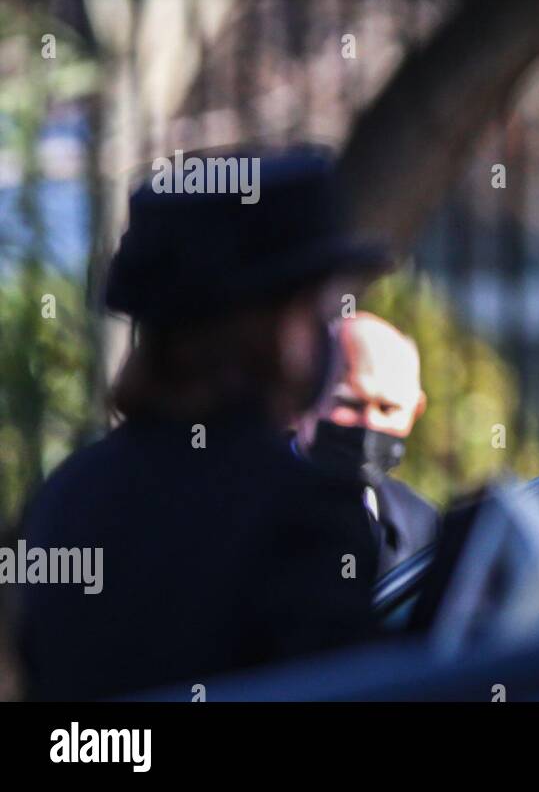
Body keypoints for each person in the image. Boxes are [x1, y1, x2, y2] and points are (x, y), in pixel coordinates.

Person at [17, 147, 390, 700]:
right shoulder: (305, 512)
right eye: (321, 305)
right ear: (274, 328)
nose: (328, 330)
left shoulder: (65, 496)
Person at [294, 312, 438, 574]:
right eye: (350, 403)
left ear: (415, 411)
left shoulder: (423, 526)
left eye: (387, 408)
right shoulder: (242, 507)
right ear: (302, 398)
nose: (370, 422)